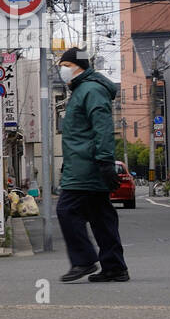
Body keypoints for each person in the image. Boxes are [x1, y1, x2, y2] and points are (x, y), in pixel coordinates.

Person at [55, 47, 129, 282]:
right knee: (101, 218)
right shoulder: (82, 90)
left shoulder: (91, 90)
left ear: (79, 67)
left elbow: (103, 128)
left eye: (66, 66)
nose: (62, 71)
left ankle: (84, 260)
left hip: (87, 167)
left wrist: (106, 161)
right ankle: (114, 267)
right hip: (87, 165)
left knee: (66, 211)